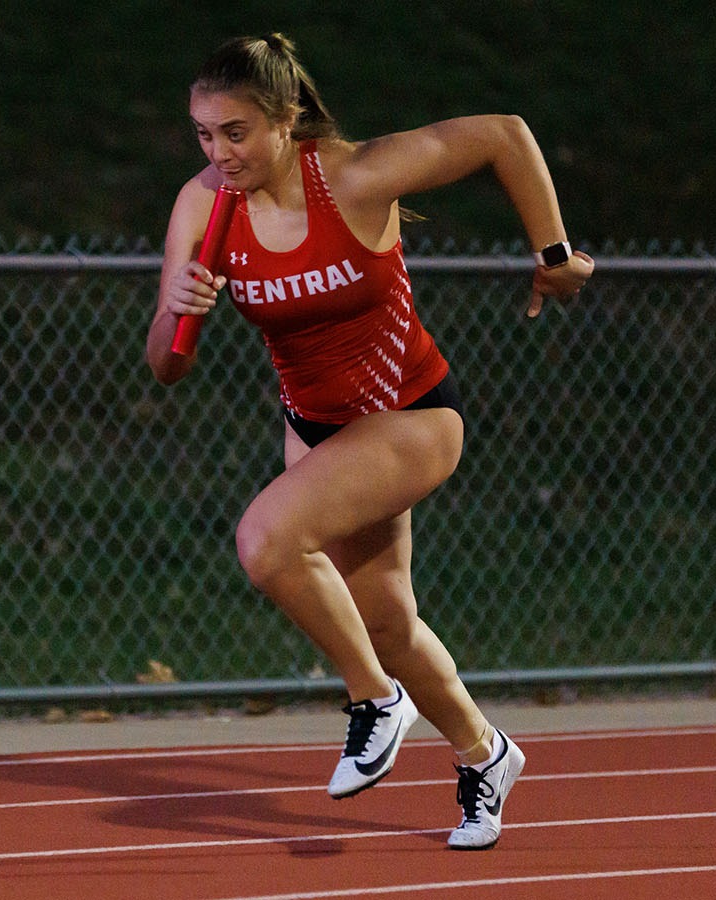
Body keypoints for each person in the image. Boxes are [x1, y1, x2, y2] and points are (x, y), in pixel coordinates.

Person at [145, 33, 593, 851]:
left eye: (237, 132)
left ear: (286, 121)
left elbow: (504, 133)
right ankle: (485, 753)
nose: (220, 153)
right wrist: (175, 308)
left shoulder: (352, 175)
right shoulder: (202, 206)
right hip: (316, 430)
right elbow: (164, 364)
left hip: (412, 414)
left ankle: (374, 701)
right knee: (385, 619)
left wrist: (554, 254)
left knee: (265, 541)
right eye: (205, 135)